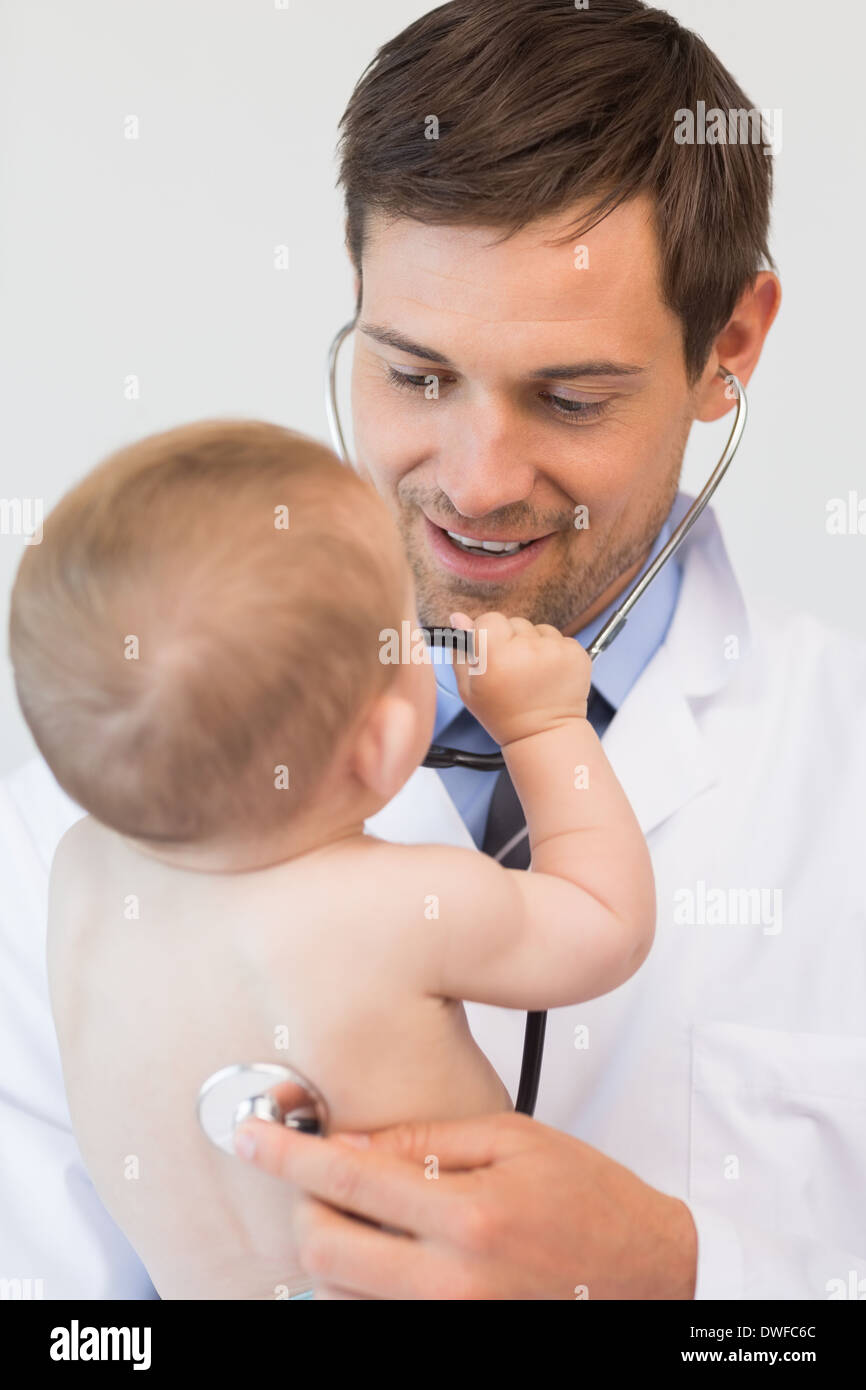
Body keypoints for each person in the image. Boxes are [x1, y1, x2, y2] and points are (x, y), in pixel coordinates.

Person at [1, 0, 864, 1301]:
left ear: (726, 347)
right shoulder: (78, 822)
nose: (475, 479)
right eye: (412, 375)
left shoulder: (832, 765)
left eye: (571, 396)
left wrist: (685, 1282)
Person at [8, 418, 654, 1299]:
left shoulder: (77, 875)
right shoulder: (400, 907)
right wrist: (545, 725)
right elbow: (605, 923)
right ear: (387, 743)